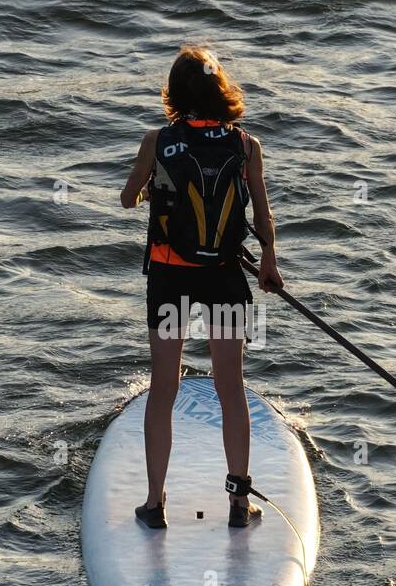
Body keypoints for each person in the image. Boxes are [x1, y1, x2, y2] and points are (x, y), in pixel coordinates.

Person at [119, 45, 284, 530]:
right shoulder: (246, 146)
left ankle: (154, 505)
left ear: (174, 93)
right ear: (222, 91)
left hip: (172, 279)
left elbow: (128, 199)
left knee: (164, 388)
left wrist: (152, 188)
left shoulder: (157, 140)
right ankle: (238, 502)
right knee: (230, 388)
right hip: (225, 279)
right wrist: (269, 262)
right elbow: (263, 216)